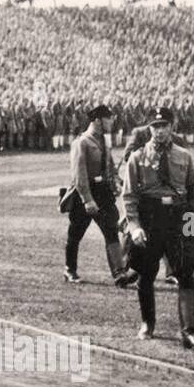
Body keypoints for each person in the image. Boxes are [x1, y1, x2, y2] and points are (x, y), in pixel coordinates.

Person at [121, 106, 194, 350]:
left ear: (172, 127)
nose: (160, 131)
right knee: (146, 274)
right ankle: (148, 323)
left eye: (164, 126)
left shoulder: (184, 156)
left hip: (180, 217)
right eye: (155, 127)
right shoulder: (137, 158)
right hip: (150, 218)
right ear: (149, 129)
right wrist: (134, 227)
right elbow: (129, 197)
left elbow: (193, 196)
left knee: (187, 272)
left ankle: (189, 332)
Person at [62, 103, 135, 286]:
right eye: (108, 118)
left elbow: (109, 166)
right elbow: (79, 174)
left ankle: (119, 273)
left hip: (103, 193)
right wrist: (87, 200)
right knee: (76, 233)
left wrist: (116, 182)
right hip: (84, 193)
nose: (111, 121)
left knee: (111, 230)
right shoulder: (82, 142)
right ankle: (69, 270)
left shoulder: (104, 141)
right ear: (97, 120)